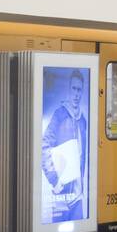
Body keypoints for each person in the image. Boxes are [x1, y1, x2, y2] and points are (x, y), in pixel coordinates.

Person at [41, 70, 88, 222]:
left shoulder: (83, 121)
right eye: (73, 89)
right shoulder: (59, 115)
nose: (76, 94)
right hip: (62, 193)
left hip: (78, 196)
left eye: (79, 90)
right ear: (69, 90)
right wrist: (54, 179)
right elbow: (44, 145)